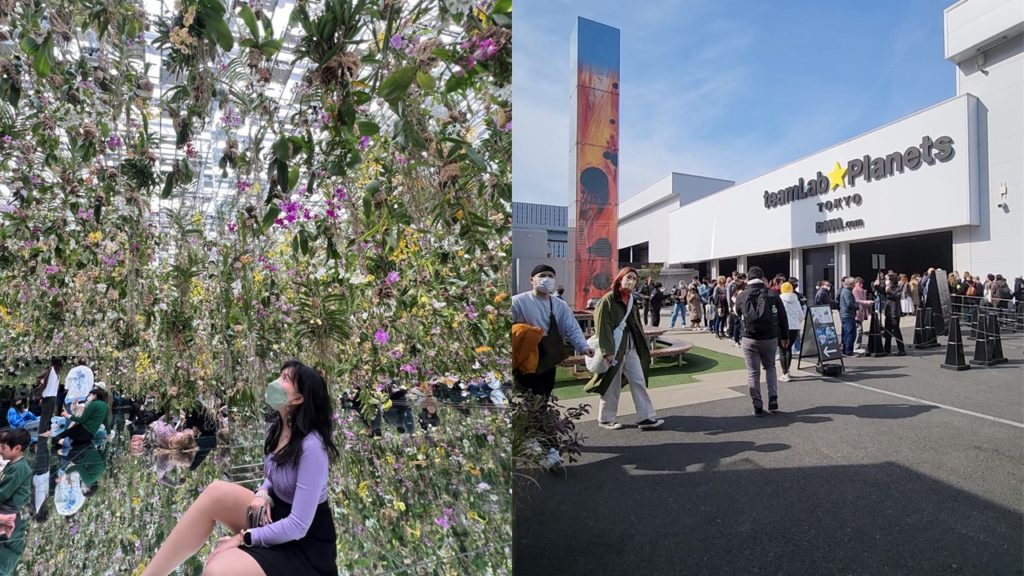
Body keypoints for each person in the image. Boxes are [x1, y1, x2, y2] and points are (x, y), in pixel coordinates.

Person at [142, 361, 340, 576]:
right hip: (273, 516)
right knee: (216, 492)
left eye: (285, 379)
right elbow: (274, 475)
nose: (275, 382)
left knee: (219, 569)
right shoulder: (279, 430)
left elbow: (299, 525)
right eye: (279, 375)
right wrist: (263, 493)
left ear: (298, 398)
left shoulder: (312, 446)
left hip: (304, 548)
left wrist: (244, 538)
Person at [584, 267, 664, 431]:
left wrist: (643, 344)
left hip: (631, 347)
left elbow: (637, 325)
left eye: (634, 279)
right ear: (620, 279)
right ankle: (606, 418)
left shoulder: (632, 301)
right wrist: (608, 351)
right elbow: (602, 327)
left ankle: (646, 417)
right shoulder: (608, 300)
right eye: (628, 277)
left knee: (638, 381)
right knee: (612, 383)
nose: (631, 281)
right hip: (615, 348)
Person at [510, 264, 593, 398]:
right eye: (542, 275)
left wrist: (583, 346)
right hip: (527, 353)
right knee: (531, 395)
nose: (547, 279)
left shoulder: (560, 305)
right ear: (532, 280)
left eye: (551, 276)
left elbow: (571, 327)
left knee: (546, 393)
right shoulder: (518, 301)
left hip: (549, 355)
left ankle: (543, 418)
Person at [735, 267, 789, 416]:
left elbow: (737, 313)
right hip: (770, 337)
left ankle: (757, 404)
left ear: (748, 278)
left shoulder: (742, 295)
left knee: (753, 373)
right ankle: (773, 398)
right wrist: (784, 336)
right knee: (770, 367)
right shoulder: (772, 294)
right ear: (763, 278)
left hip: (749, 338)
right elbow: (783, 317)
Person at [40, 387, 110, 452]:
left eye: (90, 395)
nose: (88, 396)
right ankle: (67, 444)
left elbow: (81, 420)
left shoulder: (93, 404)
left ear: (95, 396)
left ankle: (64, 446)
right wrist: (109, 434)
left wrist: (67, 415)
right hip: (89, 436)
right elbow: (106, 422)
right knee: (72, 441)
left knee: (54, 439)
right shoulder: (106, 406)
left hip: (82, 430)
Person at [875, 273, 906, 356]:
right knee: (887, 332)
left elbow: (895, 296)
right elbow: (879, 289)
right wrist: (878, 283)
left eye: (888, 279)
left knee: (896, 331)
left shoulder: (897, 288)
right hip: (888, 313)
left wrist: (889, 291)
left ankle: (901, 349)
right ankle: (887, 349)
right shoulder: (887, 288)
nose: (886, 281)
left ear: (892, 280)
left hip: (895, 313)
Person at [778, 282, 804, 382]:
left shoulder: (779, 299)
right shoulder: (796, 300)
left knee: (782, 350)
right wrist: (796, 323)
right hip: (794, 328)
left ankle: (785, 372)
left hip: (782, 327)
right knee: (788, 349)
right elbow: (801, 315)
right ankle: (787, 370)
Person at [853, 277, 874, 353]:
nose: (861, 285)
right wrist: (866, 302)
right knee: (859, 330)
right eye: (860, 283)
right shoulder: (856, 290)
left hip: (860, 312)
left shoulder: (860, 290)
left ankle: (857, 345)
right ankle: (856, 346)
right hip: (857, 312)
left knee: (859, 329)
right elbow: (857, 300)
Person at [838, 277, 858, 356]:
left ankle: (846, 350)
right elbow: (849, 304)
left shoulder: (845, 291)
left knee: (846, 332)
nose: (854, 285)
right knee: (850, 333)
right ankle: (848, 351)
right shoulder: (847, 292)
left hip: (845, 314)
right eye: (853, 284)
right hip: (847, 315)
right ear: (850, 284)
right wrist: (857, 306)